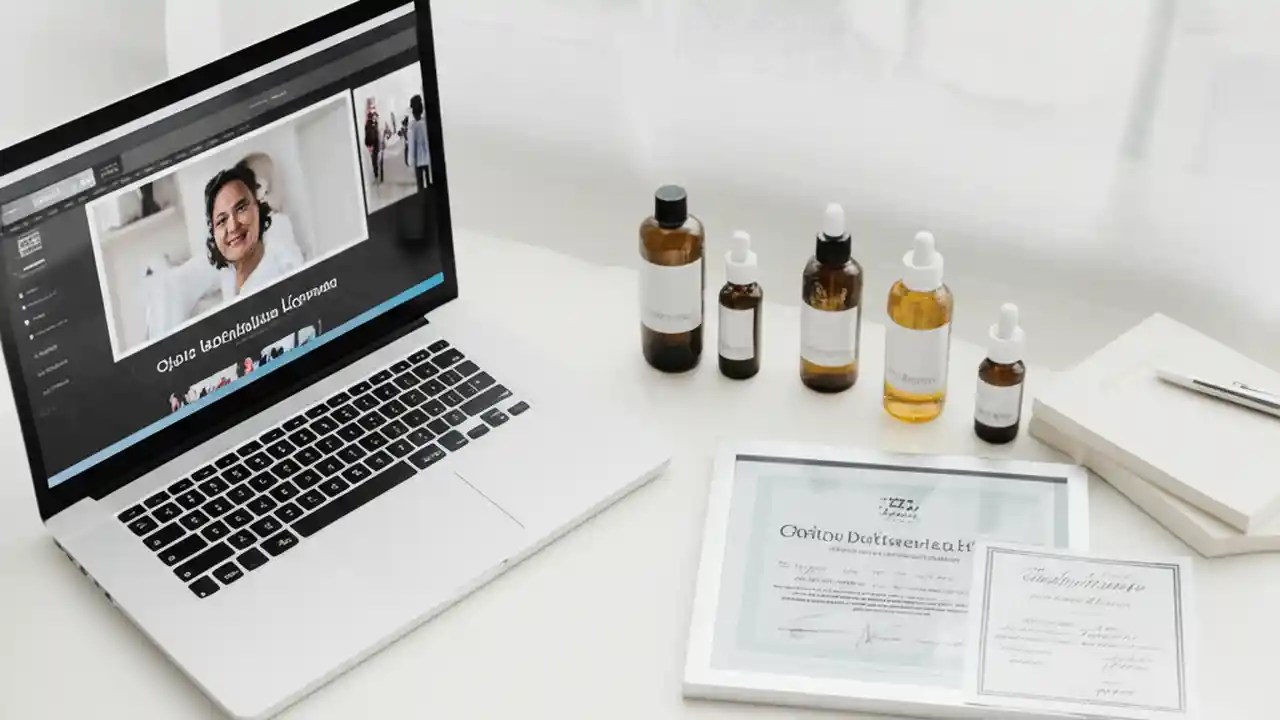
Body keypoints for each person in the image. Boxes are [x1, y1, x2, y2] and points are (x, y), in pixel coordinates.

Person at [203, 161, 303, 297]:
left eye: (241, 208)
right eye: (221, 220)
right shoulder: (228, 273)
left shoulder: (280, 274)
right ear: (213, 233)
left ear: (258, 208)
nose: (233, 227)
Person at [407, 95, 430, 191]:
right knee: (429, 181)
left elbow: (411, 146)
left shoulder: (412, 126)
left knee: (420, 184)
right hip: (428, 158)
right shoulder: (426, 122)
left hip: (418, 160)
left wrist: (410, 160)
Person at [364, 100, 383, 183]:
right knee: (376, 159)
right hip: (374, 143)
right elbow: (374, 134)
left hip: (372, 144)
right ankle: (377, 173)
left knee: (374, 159)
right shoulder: (372, 124)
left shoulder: (369, 124)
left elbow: (369, 134)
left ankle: (376, 173)